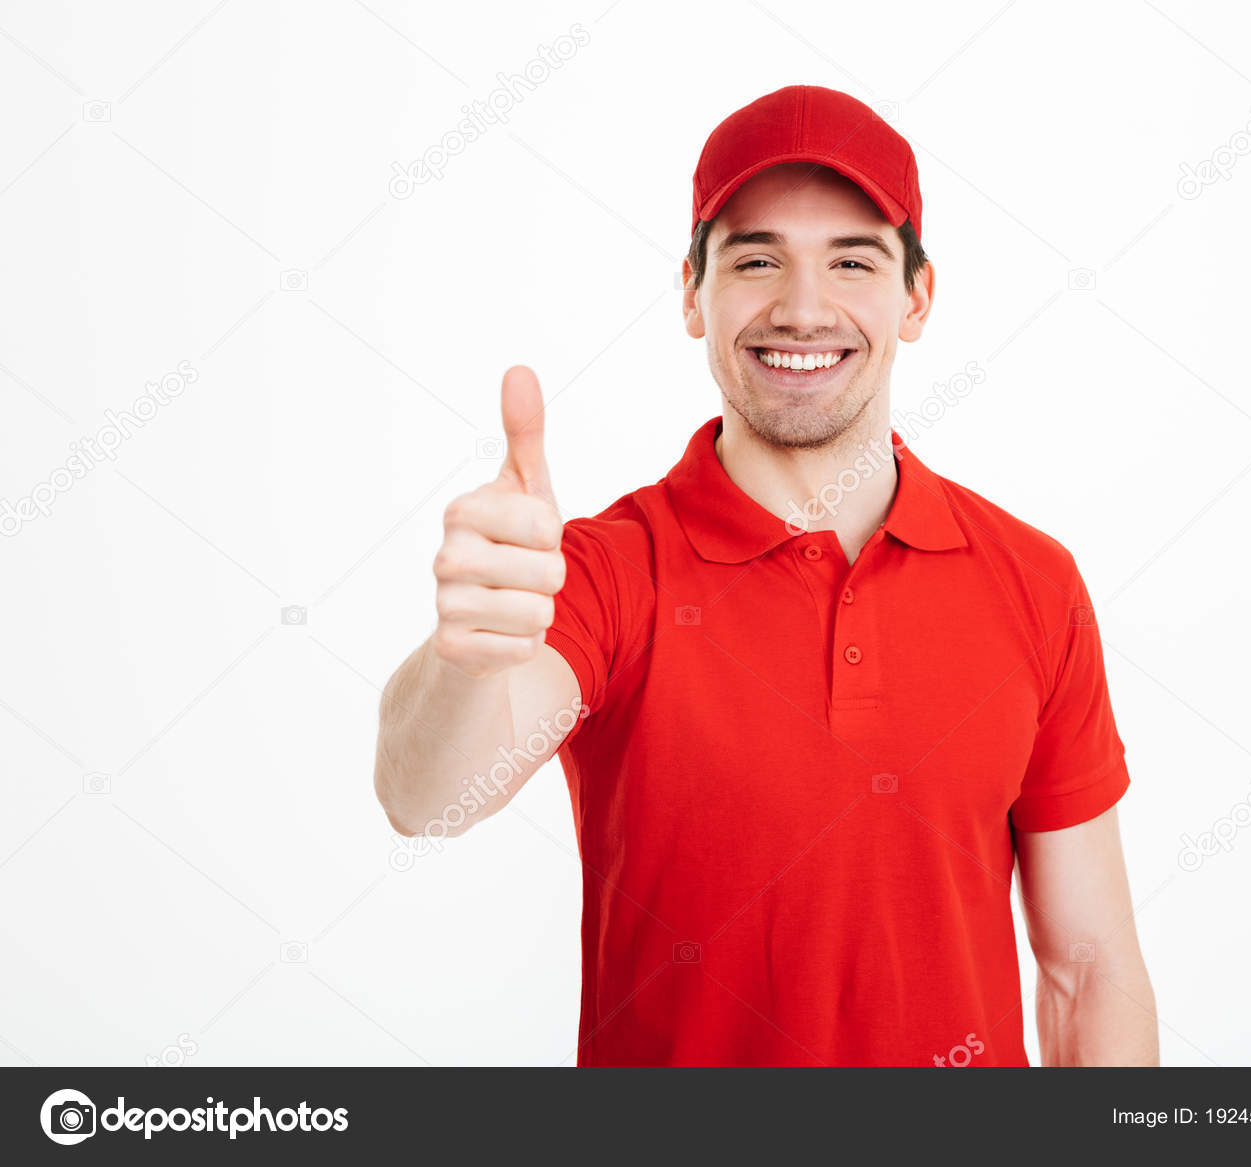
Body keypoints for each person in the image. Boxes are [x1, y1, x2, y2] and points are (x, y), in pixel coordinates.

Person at [374, 84, 1158, 1067]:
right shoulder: (604, 572)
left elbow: (1089, 972)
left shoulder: (1033, 583)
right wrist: (466, 656)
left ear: (916, 297)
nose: (802, 308)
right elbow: (424, 797)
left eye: (852, 260)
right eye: (756, 259)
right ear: (692, 294)